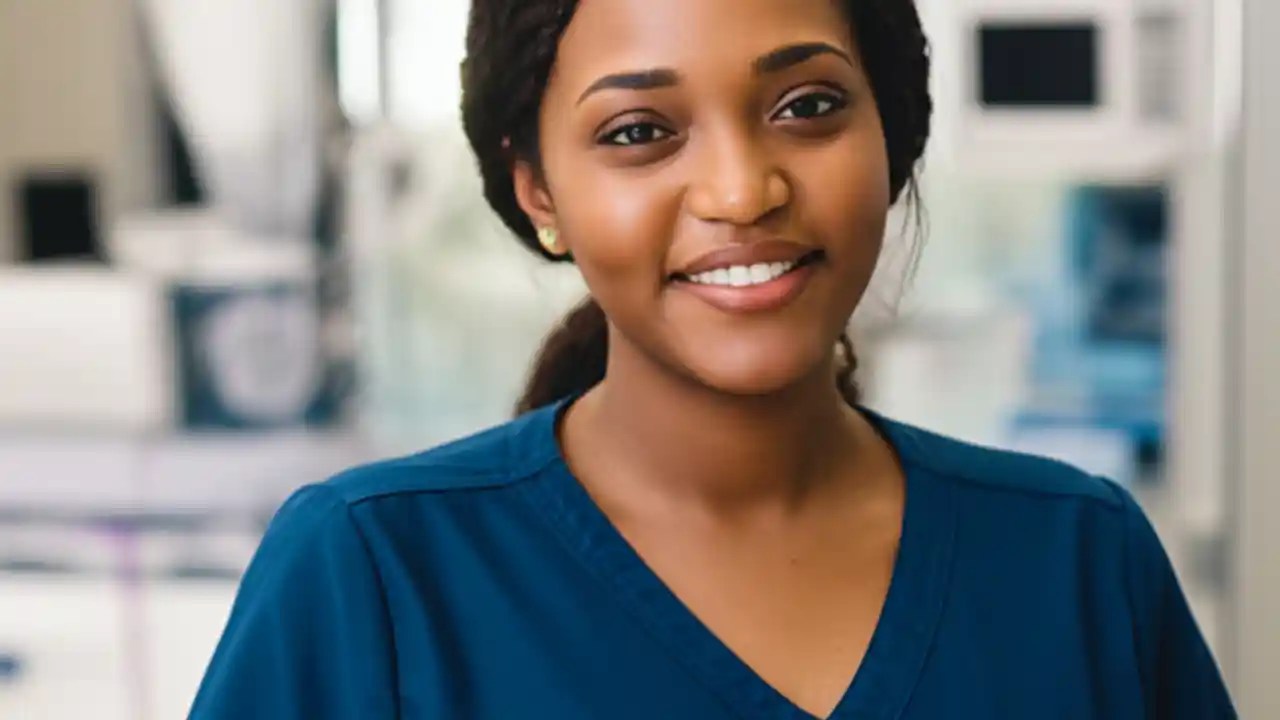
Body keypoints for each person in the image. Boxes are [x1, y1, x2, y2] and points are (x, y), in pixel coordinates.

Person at [189, 0, 1236, 717]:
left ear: (893, 135)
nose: (741, 192)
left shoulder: (1076, 562)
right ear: (536, 190)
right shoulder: (371, 576)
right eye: (639, 130)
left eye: (808, 107)